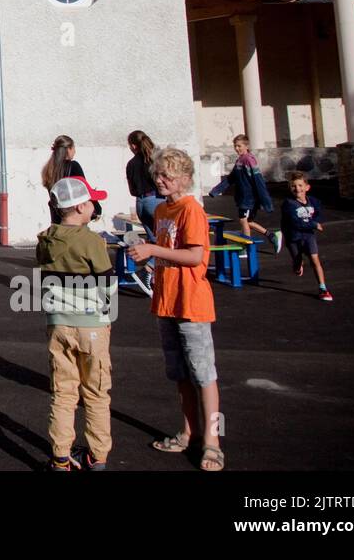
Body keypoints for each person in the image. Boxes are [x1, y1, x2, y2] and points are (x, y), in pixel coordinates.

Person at [129, 147, 224, 472]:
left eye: (167, 176)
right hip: (168, 301)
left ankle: (212, 441)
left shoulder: (191, 210)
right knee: (180, 374)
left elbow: (196, 256)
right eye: (157, 174)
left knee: (203, 374)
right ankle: (189, 432)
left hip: (192, 303)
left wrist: (153, 249)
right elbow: (167, 253)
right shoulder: (161, 211)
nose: (160, 180)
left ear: (184, 179)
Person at [37, 176, 116, 471]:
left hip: (58, 323)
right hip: (91, 325)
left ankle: (60, 457)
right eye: (92, 201)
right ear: (82, 206)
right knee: (95, 392)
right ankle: (97, 455)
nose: (95, 205)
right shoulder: (92, 241)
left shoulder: (46, 240)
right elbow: (107, 285)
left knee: (63, 392)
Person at [209, 134, 278, 252]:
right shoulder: (240, 161)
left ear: (246, 146)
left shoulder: (248, 160)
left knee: (243, 220)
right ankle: (271, 236)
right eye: (235, 146)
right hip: (243, 198)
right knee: (248, 221)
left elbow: (258, 180)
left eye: (239, 146)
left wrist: (265, 201)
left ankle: (246, 248)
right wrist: (216, 190)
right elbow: (231, 178)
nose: (237, 148)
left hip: (249, 198)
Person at [281, 174, 331, 302]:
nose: (297, 189)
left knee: (315, 259)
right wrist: (314, 224)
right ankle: (297, 264)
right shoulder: (288, 204)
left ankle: (323, 288)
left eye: (300, 185)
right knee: (298, 262)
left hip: (308, 236)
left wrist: (316, 221)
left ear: (307, 187)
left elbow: (317, 214)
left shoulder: (313, 201)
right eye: (293, 186)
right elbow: (296, 222)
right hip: (293, 236)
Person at [42, 136, 102, 224]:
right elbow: (83, 190)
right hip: (73, 216)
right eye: (74, 148)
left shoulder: (49, 168)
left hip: (57, 217)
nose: (74, 151)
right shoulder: (73, 166)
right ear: (69, 149)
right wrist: (97, 209)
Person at [125, 131, 163, 242]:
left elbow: (132, 191)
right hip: (156, 199)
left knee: (153, 240)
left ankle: (151, 259)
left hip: (140, 202)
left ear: (133, 146)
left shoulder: (131, 164)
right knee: (165, 240)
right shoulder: (155, 160)